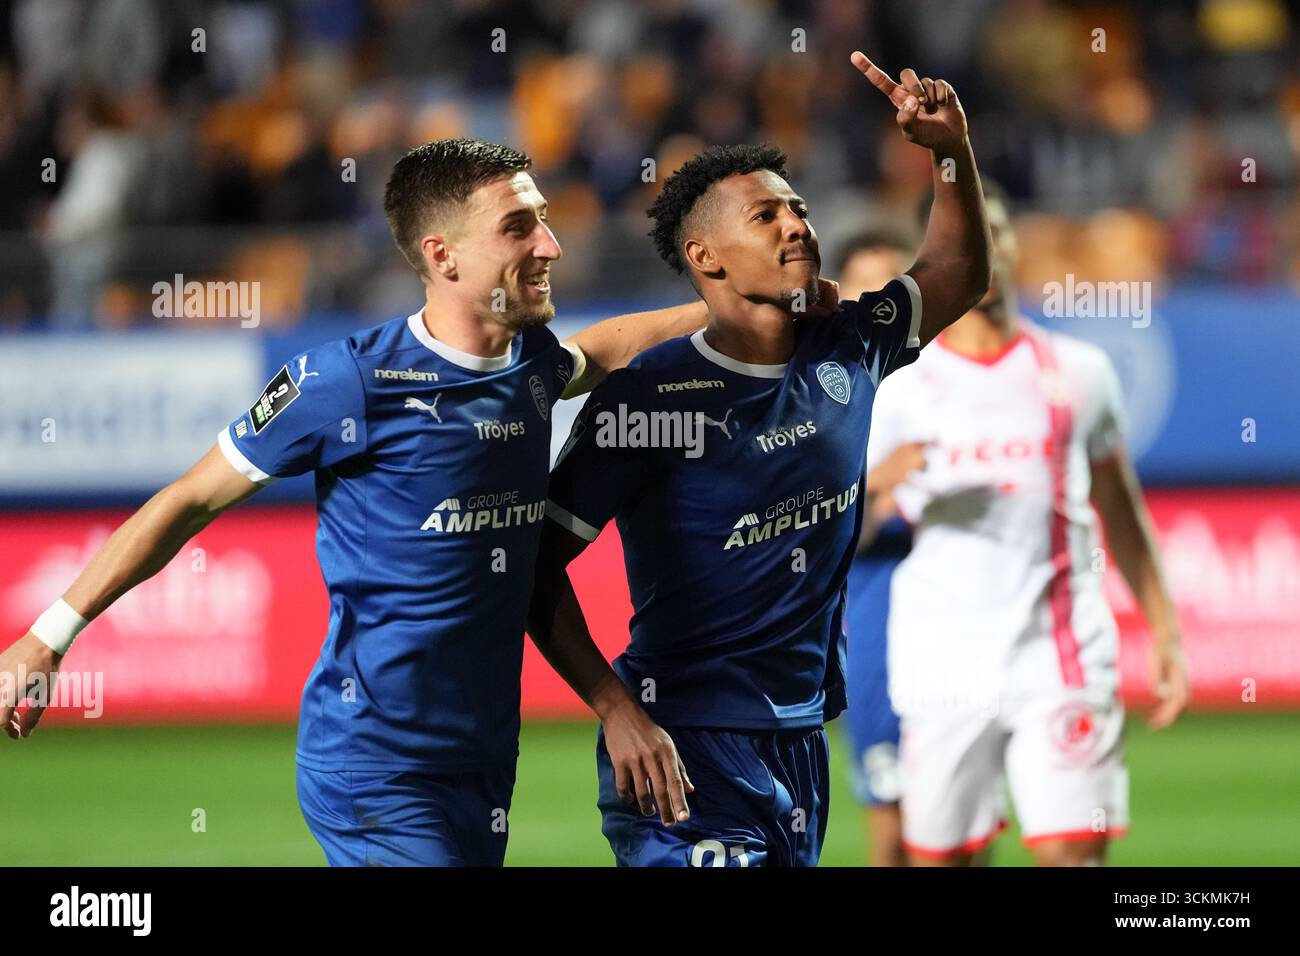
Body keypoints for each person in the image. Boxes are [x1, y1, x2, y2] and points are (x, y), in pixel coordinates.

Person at [0, 137, 722, 867]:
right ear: (443, 257)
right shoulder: (346, 383)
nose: (552, 244)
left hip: (482, 761)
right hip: (374, 768)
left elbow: (607, 348)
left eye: (542, 219)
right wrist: (48, 636)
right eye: (519, 226)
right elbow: (188, 499)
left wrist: (734, 305)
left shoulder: (531, 366)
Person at [527, 53, 992, 866]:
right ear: (707, 258)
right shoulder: (650, 402)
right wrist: (617, 710)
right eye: (766, 217)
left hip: (799, 736)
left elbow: (954, 274)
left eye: (798, 209)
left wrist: (950, 150)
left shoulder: (846, 347)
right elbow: (533, 563)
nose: (796, 225)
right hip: (684, 744)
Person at [864, 186, 1190, 867]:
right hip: (942, 665)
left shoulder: (1079, 371)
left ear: (1013, 250)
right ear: (930, 262)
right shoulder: (896, 387)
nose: (985, 250)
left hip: (1061, 656)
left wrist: (1163, 630)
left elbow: (1119, 507)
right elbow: (839, 535)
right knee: (941, 859)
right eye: (965, 239)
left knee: (1074, 855)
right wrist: (875, 484)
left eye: (998, 234)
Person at [833, 230, 918, 867]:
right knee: (889, 806)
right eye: (864, 284)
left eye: (891, 283)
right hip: (876, 622)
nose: (878, 300)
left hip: (965, 622)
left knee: (963, 817)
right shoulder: (830, 397)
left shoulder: (942, 388)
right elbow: (825, 537)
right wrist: (879, 484)